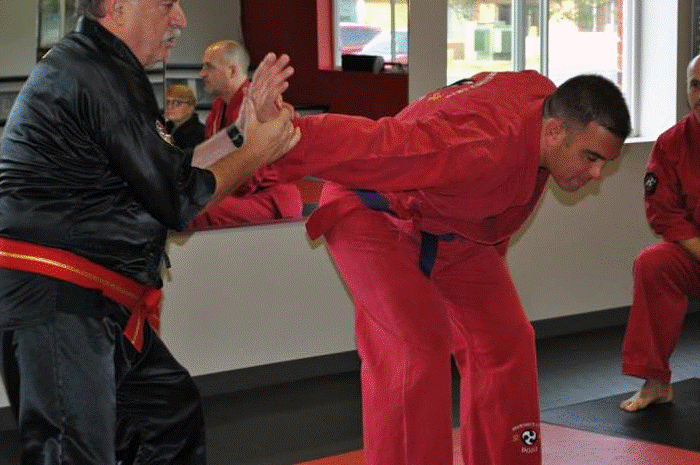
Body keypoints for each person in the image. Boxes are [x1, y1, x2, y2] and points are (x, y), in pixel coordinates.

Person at [0, 0, 298, 465]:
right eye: (166, 4)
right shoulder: (93, 76)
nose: (181, 19)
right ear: (117, 7)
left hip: (93, 303)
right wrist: (259, 152)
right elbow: (177, 201)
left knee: (167, 417)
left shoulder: (105, 70)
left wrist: (244, 132)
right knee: (75, 453)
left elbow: (171, 172)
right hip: (57, 301)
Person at [267, 71, 631, 465]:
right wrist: (285, 137)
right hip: (372, 211)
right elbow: (380, 142)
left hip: (450, 228)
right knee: (416, 347)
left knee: (507, 343)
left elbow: (495, 204)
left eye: (604, 163)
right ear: (555, 132)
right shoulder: (478, 144)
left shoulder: (547, 105)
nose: (597, 175)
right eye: (591, 158)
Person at [619, 54, 700, 412]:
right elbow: (664, 214)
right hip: (695, 252)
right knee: (653, 263)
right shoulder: (672, 143)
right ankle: (655, 383)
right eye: (695, 85)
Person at [189, 40, 303, 227]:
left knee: (193, 209)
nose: (202, 73)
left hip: (267, 199)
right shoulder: (218, 108)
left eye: (209, 67)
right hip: (233, 191)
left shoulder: (260, 104)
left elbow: (251, 175)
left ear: (232, 71)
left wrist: (211, 186)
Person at [164, 83, 206, 149]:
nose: (169, 107)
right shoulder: (163, 130)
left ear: (191, 107)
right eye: (168, 102)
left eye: (176, 103)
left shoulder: (200, 135)